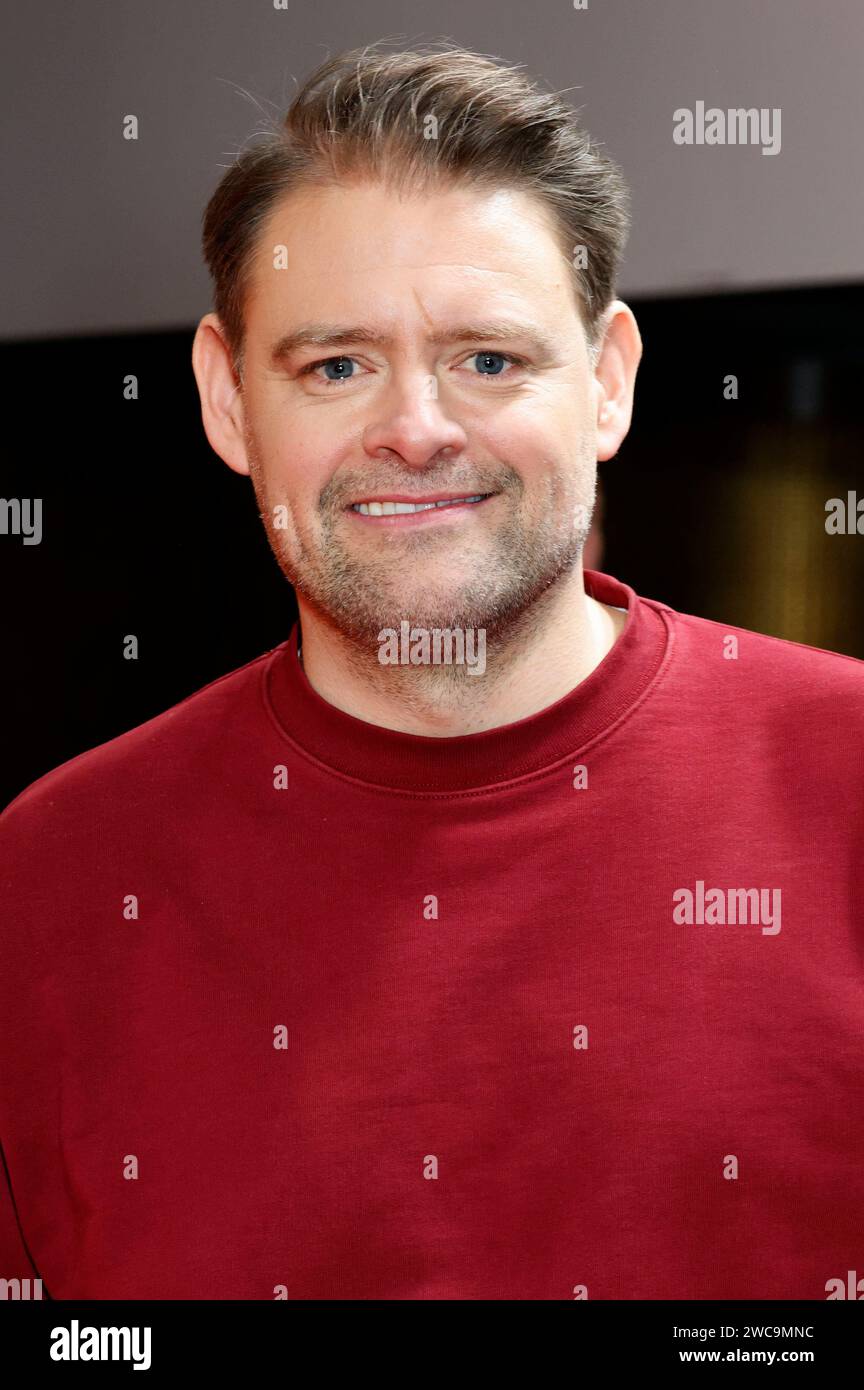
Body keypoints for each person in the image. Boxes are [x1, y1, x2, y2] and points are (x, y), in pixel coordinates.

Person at [2, 41, 862, 1302]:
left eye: (490, 359)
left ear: (610, 382)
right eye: (336, 365)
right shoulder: (50, 878)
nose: (416, 428)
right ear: (229, 402)